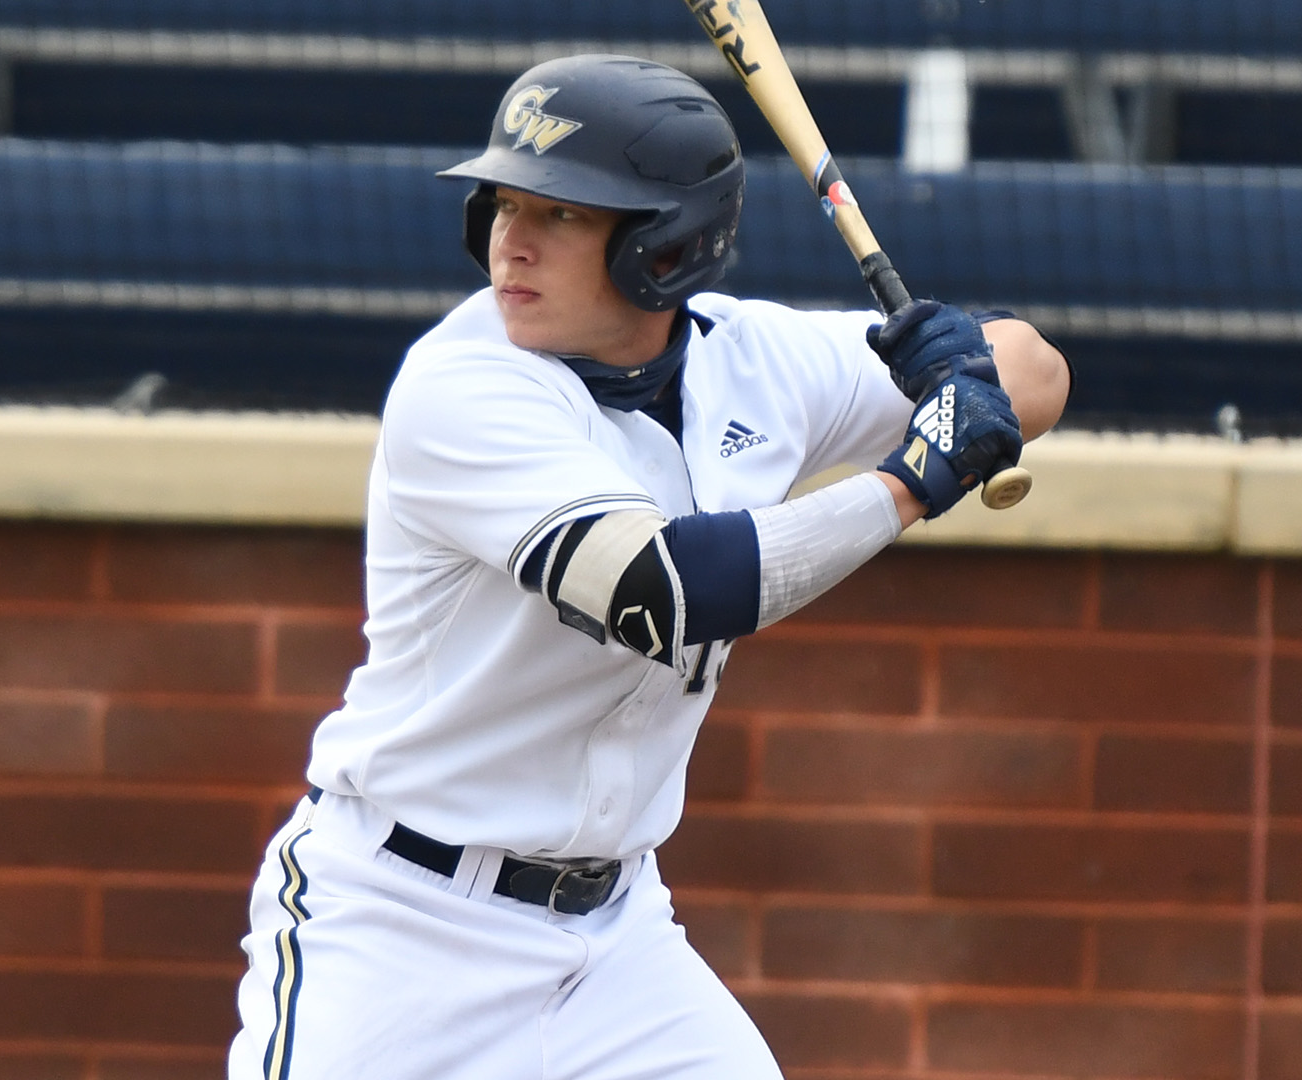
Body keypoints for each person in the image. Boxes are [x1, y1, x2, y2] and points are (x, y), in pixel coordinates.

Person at [226, 54, 1069, 1080]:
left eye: (561, 213)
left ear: (663, 249)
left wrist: (964, 367)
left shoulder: (752, 358)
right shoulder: (463, 385)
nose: (511, 241)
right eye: (503, 204)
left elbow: (1037, 370)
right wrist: (910, 482)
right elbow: (664, 591)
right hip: (402, 928)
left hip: (616, 940)